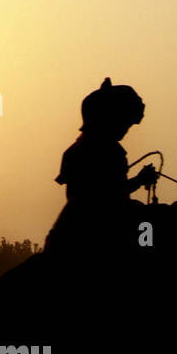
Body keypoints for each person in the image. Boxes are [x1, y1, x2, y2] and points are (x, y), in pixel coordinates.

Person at [46, 78, 157, 255]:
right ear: (110, 120)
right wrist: (140, 181)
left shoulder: (76, 149)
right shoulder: (107, 152)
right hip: (92, 238)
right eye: (125, 123)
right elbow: (106, 198)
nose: (126, 129)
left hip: (66, 233)